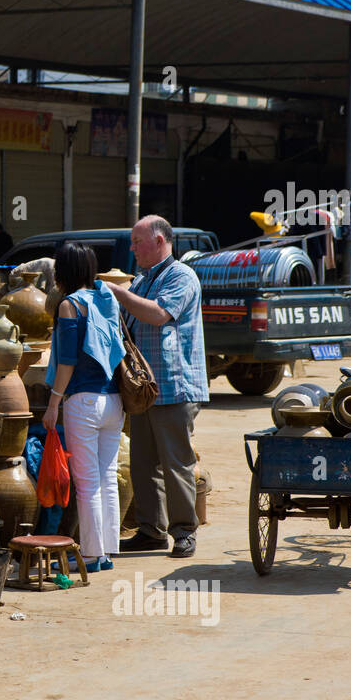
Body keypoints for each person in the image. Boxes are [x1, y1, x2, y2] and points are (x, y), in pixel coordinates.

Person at [105, 215, 208, 558]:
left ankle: (184, 532)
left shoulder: (181, 276)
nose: (132, 248)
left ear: (160, 242)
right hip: (146, 389)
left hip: (174, 387)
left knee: (175, 463)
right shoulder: (143, 280)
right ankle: (151, 531)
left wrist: (117, 292)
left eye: (137, 241)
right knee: (143, 463)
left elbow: (159, 315)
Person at [42, 242, 126, 571]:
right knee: (107, 477)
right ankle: (105, 553)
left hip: (83, 401)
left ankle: (91, 555)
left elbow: (66, 363)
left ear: (63, 270)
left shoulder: (69, 306)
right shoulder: (106, 299)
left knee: (88, 482)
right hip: (114, 401)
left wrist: (53, 404)